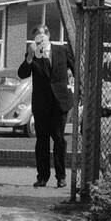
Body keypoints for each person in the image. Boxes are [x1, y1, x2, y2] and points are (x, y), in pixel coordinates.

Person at [17, 24, 75, 191]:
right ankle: (42, 177)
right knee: (42, 141)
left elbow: (76, 67)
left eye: (42, 35)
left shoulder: (61, 51)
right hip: (41, 104)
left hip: (59, 102)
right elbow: (22, 74)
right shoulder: (34, 54)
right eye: (37, 37)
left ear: (48, 36)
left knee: (59, 139)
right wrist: (29, 56)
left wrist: (79, 87)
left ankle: (61, 177)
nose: (40, 39)